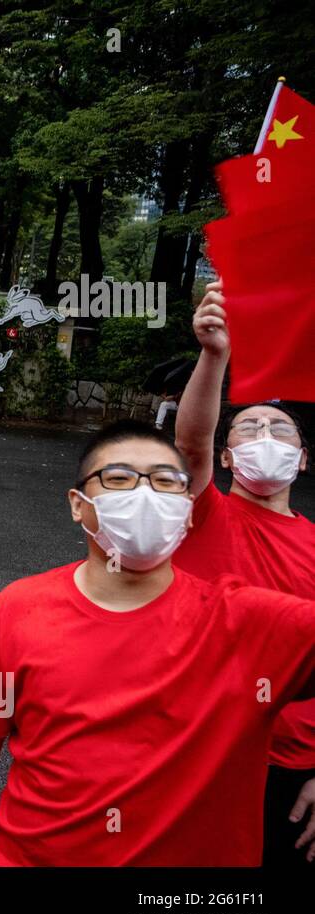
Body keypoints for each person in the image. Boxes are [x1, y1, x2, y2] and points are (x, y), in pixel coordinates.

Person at [0, 420, 315, 866]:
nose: (144, 494)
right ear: (78, 505)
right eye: (118, 479)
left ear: (189, 510)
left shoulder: (252, 622)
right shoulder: (14, 607)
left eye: (165, 481)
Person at [173, 280, 315, 866]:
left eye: (280, 431)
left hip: (292, 765)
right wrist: (214, 355)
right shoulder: (205, 512)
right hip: (198, 748)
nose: (265, 437)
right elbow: (190, 439)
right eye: (248, 429)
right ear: (227, 458)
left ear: (303, 459)